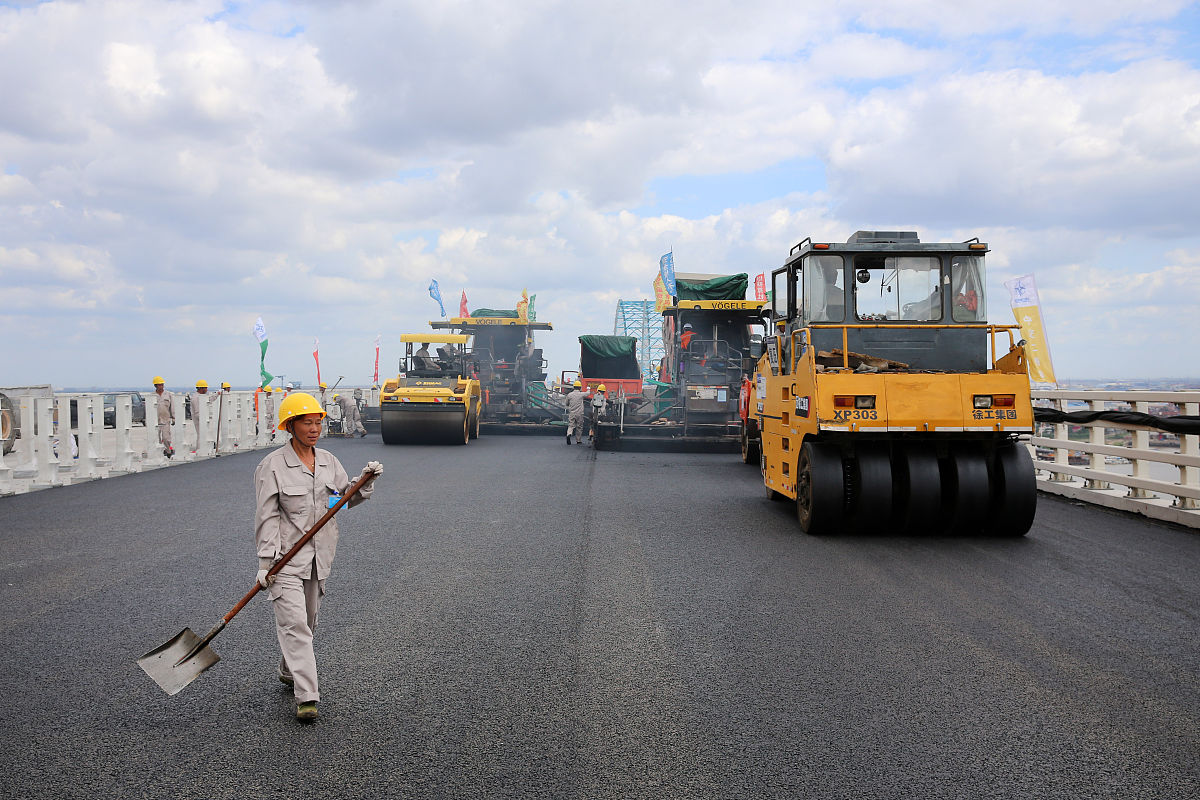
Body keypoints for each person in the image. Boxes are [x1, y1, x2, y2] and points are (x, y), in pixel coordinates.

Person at [253, 391, 382, 722]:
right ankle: (307, 696)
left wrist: (363, 484)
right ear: (290, 426)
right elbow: (267, 516)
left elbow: (340, 501)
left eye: (317, 422)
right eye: (307, 423)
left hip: (319, 558)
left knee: (307, 623)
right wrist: (265, 563)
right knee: (296, 624)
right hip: (284, 561)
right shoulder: (273, 467)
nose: (314, 429)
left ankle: (288, 668)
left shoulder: (328, 462)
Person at [151, 376, 175, 458]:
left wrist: (173, 417)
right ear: (156, 386)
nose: (161, 386)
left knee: (166, 438)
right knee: (156, 438)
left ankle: (168, 451)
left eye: (162, 385)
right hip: (156, 420)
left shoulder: (168, 395)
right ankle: (159, 453)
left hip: (166, 419)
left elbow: (172, 407)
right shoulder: (152, 396)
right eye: (159, 385)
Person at [189, 380, 211, 452]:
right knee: (200, 433)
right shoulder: (195, 398)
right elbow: (197, 411)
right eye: (205, 388)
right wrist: (202, 419)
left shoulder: (202, 396)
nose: (207, 389)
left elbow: (209, 400)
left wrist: (217, 395)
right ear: (201, 388)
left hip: (202, 417)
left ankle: (203, 448)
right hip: (198, 418)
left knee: (203, 433)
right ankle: (199, 449)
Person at [565, 379, 586, 445]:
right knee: (579, 427)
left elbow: (566, 404)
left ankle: (569, 434)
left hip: (572, 413)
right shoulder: (581, 394)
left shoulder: (569, 395)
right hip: (579, 414)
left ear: (573, 387)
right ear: (580, 387)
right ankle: (578, 440)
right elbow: (588, 393)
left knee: (571, 425)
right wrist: (588, 388)